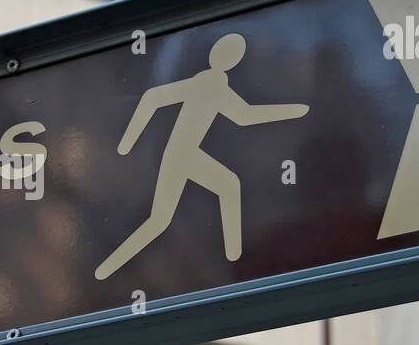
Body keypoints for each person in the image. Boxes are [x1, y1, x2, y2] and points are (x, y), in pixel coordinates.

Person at [95, 33, 308, 280]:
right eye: (232, 53)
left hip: (187, 153)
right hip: (180, 154)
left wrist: (293, 110)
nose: (233, 58)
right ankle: (107, 269)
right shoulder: (209, 83)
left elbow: (244, 116)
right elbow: (153, 98)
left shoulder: (214, 82)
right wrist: (127, 142)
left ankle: (236, 266)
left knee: (226, 187)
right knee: (160, 221)